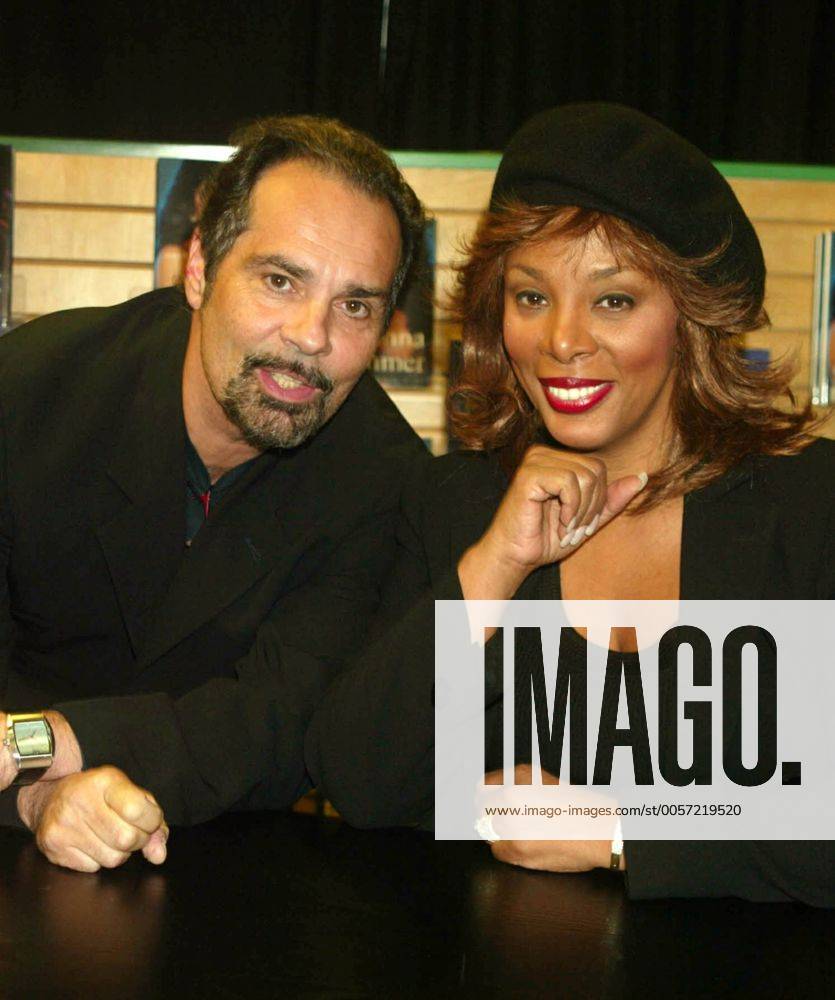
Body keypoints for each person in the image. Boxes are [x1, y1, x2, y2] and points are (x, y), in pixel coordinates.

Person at [305, 103, 835, 905]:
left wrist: (622, 831)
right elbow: (360, 780)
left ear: (690, 317)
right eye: (530, 297)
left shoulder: (804, 509)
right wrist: (496, 564)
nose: (561, 340)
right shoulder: (458, 505)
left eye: (612, 300)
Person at [0, 114, 428, 872]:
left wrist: (47, 744)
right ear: (198, 268)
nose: (311, 335)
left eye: (354, 305)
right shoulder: (31, 390)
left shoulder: (383, 477)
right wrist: (32, 797)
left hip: (234, 878)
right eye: (280, 280)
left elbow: (286, 720)